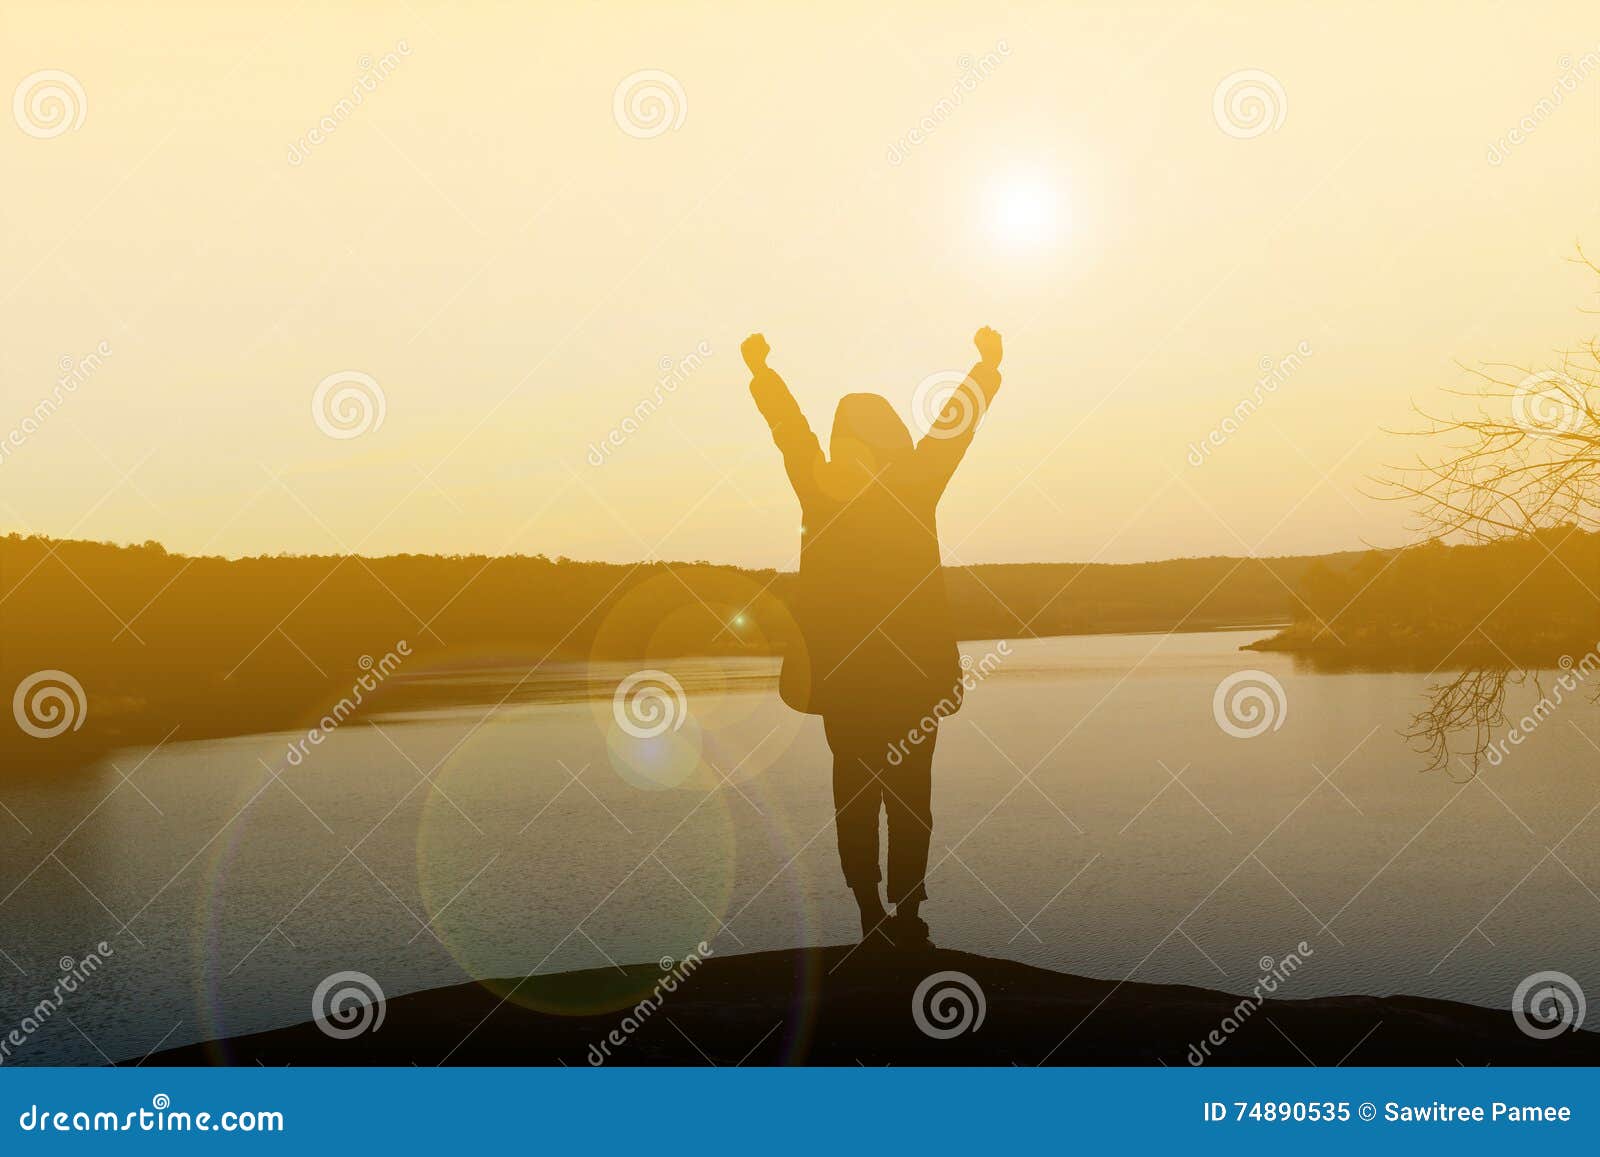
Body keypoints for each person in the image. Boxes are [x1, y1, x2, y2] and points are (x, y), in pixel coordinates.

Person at [742, 327, 1004, 948]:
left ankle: (873, 911)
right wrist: (986, 368)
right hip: (911, 681)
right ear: (891, 435)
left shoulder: (822, 488)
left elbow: (789, 429)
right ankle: (904, 914)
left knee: (858, 797)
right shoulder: (912, 485)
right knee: (909, 800)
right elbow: (954, 427)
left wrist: (761, 372)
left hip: (851, 683)